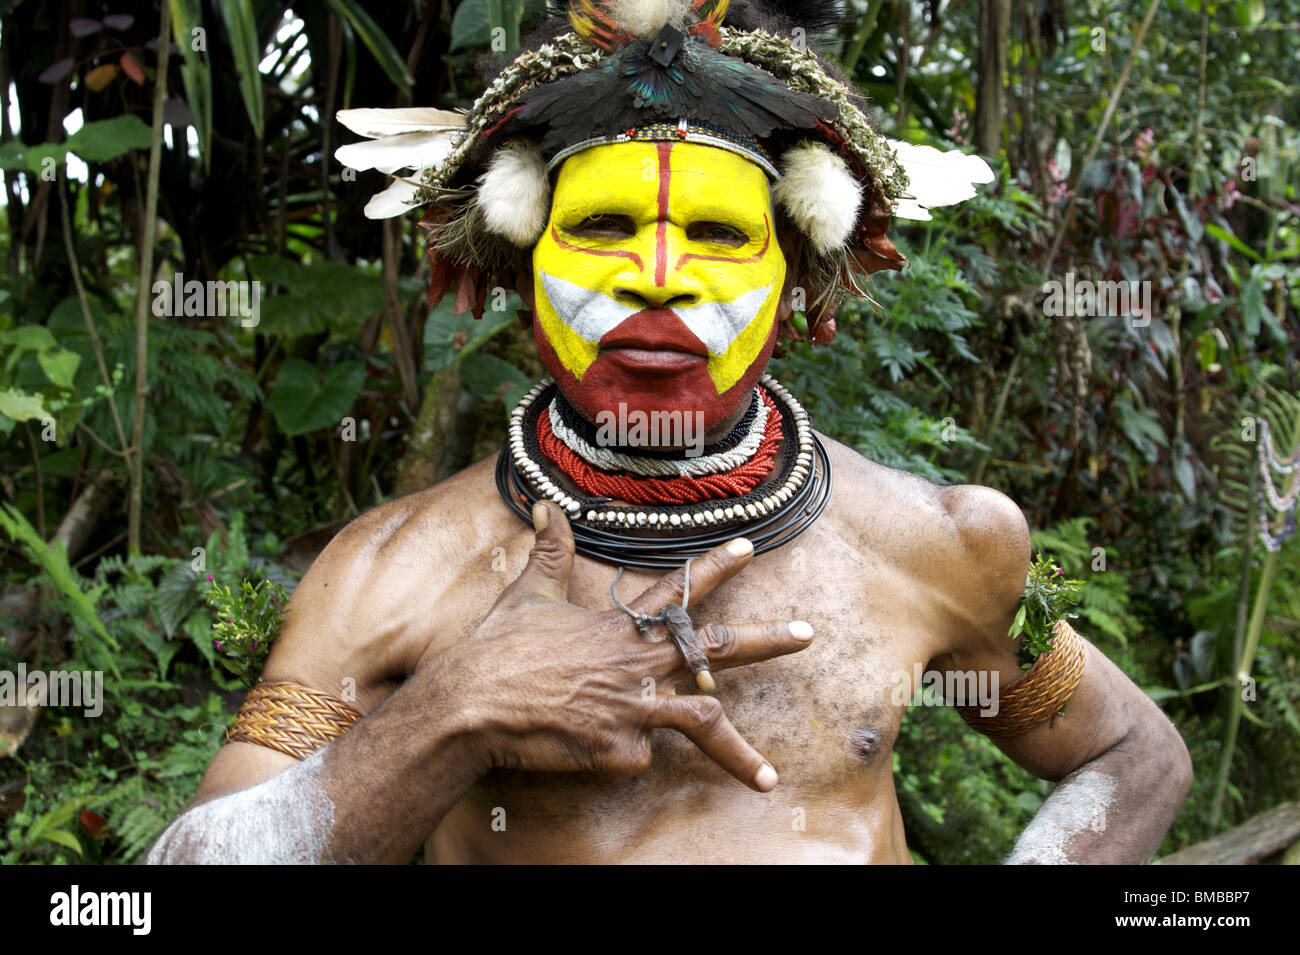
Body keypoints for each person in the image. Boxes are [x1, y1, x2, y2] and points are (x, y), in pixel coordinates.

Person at [147, 0, 1191, 865]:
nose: (656, 275)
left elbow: (1132, 753)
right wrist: (456, 707)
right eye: (600, 226)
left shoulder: (939, 538)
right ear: (520, 263)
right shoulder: (395, 570)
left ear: (797, 282)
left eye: (719, 235)